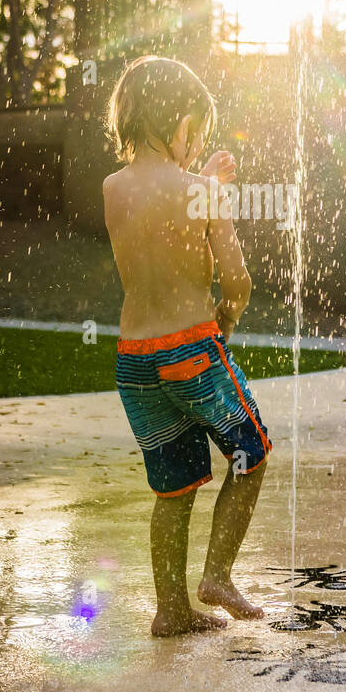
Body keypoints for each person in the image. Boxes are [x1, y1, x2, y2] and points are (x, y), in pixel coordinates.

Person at [103, 55, 272, 636]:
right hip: (193, 351)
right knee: (251, 453)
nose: (196, 145)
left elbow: (157, 235)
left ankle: (170, 610)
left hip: (134, 360)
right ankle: (218, 577)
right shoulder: (201, 190)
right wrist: (228, 314)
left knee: (172, 486)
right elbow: (236, 277)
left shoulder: (112, 188)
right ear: (175, 119)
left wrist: (206, 186)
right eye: (194, 132)